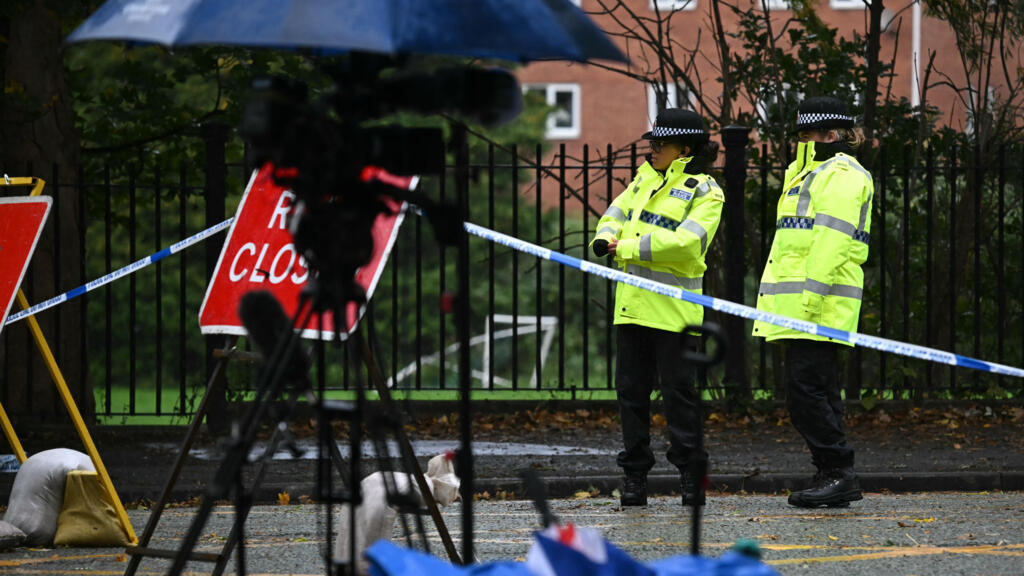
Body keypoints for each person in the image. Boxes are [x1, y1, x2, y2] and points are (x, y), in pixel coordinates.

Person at [592, 108, 724, 507]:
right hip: (632, 309)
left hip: (675, 315)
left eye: (661, 143)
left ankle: (690, 478)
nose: (652, 149)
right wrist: (605, 237)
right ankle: (634, 479)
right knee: (631, 397)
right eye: (652, 142)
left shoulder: (706, 191)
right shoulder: (642, 182)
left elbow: (687, 244)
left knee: (679, 397)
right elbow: (612, 216)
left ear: (685, 148)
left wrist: (626, 249)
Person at [752, 96, 874, 508]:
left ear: (831, 135)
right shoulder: (807, 174)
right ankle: (833, 475)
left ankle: (838, 470)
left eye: (807, 134)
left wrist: (808, 303)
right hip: (806, 305)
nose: (802, 141)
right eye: (800, 134)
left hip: (819, 305)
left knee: (805, 393)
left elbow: (831, 242)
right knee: (818, 390)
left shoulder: (840, 174)